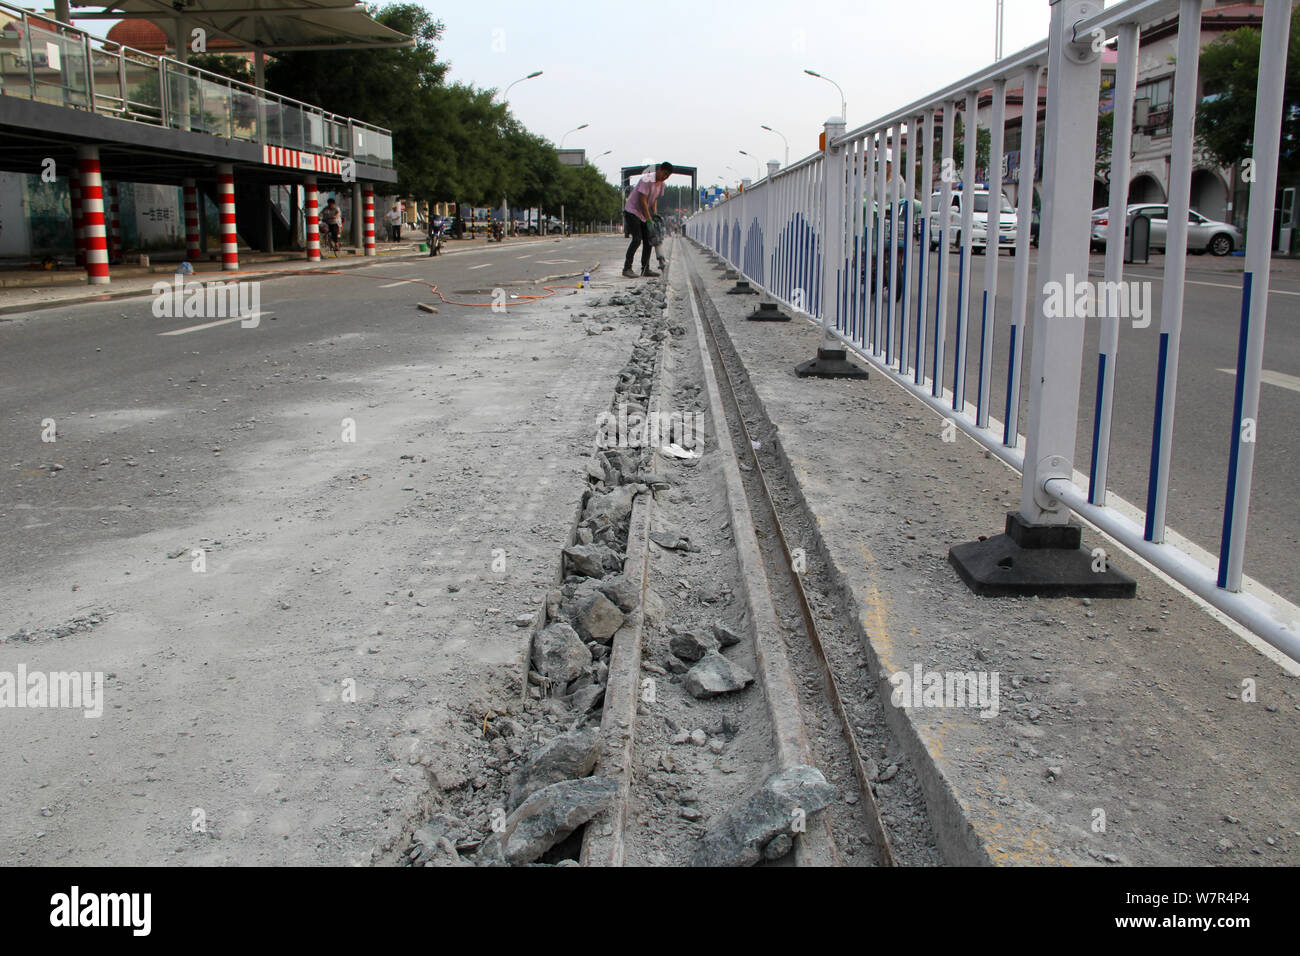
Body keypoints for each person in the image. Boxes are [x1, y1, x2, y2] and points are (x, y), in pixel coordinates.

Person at [623, 161, 673, 278]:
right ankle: (627, 268)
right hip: (632, 211)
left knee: (648, 240)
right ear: (659, 170)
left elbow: (654, 199)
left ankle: (645, 269)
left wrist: (654, 214)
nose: (665, 177)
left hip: (642, 214)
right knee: (637, 239)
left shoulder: (661, 184)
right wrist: (649, 219)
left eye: (667, 176)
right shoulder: (647, 179)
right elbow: (643, 201)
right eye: (664, 174)